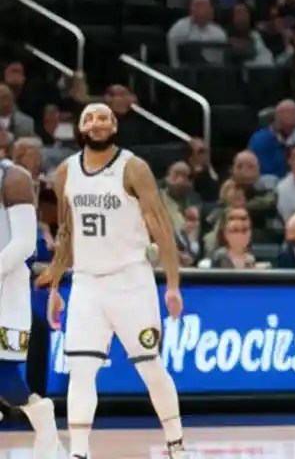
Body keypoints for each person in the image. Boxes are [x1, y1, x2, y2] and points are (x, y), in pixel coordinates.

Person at [42, 104, 188, 459]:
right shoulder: (65, 172)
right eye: (90, 118)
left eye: (104, 117)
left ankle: (176, 443)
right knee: (81, 370)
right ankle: (79, 452)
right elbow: (66, 232)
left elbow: (161, 225)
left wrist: (172, 285)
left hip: (131, 281)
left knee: (150, 367)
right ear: (80, 128)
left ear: (115, 125)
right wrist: (55, 288)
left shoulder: (133, 167)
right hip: (87, 284)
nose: (97, 123)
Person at [0, 155, 61, 458]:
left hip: (7, 295)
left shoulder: (14, 178)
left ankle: (46, 428)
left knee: (6, 378)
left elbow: (25, 243)